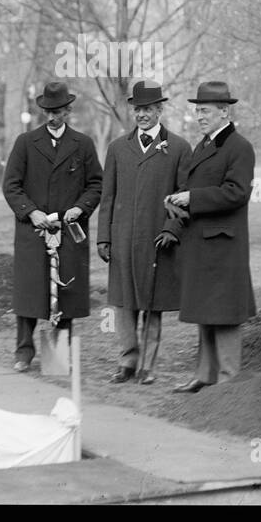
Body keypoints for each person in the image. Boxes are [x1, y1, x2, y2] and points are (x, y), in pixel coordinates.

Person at [1, 80, 103, 372]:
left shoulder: (82, 144)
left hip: (68, 231)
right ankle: (23, 352)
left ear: (68, 110)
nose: (53, 117)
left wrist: (79, 209)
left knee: (66, 293)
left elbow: (96, 184)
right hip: (33, 231)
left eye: (58, 111)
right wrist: (30, 212)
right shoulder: (25, 142)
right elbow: (11, 186)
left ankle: (58, 355)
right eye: (48, 111)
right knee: (29, 293)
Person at [161, 81, 256, 393]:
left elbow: (237, 193)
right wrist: (177, 202)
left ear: (224, 111)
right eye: (197, 110)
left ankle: (228, 382)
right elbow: (194, 188)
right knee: (206, 310)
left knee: (225, 314)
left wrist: (192, 198)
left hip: (224, 245)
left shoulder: (239, 147)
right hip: (201, 243)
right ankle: (206, 375)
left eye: (205, 111)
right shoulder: (203, 145)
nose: (199, 116)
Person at [97, 80, 192, 385]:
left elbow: (184, 194)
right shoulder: (117, 148)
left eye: (148, 109)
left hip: (157, 239)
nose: (142, 115)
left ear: (159, 110)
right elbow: (107, 196)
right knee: (124, 303)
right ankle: (127, 361)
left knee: (152, 303)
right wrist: (104, 237)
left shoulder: (178, 148)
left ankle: (148, 365)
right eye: (138, 109)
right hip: (123, 237)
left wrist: (171, 228)